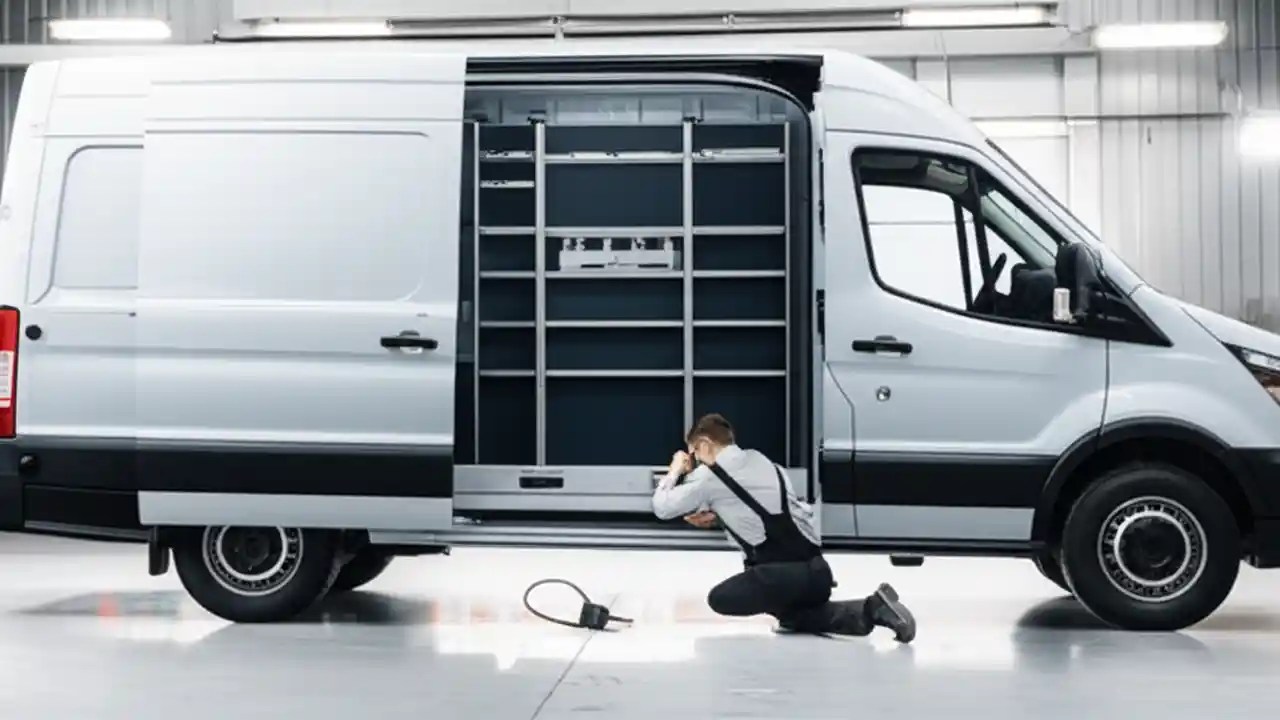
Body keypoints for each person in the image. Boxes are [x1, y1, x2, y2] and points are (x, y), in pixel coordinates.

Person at [652, 413, 916, 641]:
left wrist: (675, 470)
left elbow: (662, 507)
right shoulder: (766, 463)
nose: (695, 460)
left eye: (695, 453)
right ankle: (872, 609)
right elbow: (772, 511)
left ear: (705, 444)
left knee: (719, 599)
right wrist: (720, 517)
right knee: (796, 618)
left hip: (781, 577)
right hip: (818, 573)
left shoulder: (708, 477)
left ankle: (795, 609)